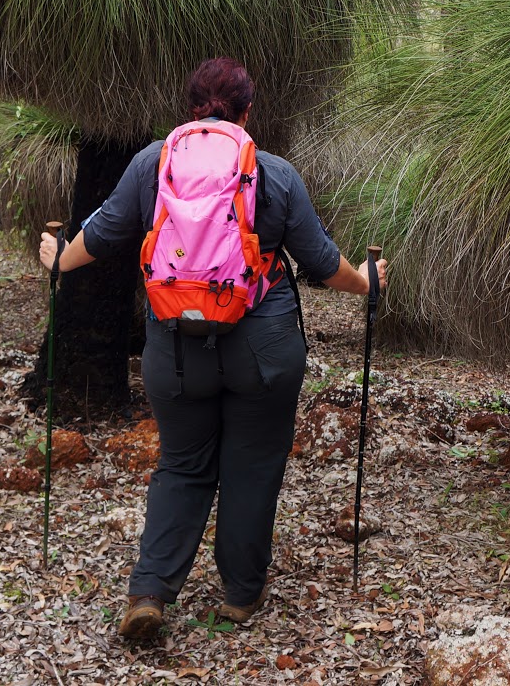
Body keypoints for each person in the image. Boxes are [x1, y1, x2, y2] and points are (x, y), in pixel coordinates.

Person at [37, 57, 388, 642]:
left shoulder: (152, 164)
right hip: (264, 346)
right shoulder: (275, 173)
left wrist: (57, 261)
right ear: (249, 112)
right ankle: (241, 595)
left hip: (176, 347)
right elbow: (325, 264)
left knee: (181, 464)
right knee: (252, 467)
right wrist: (370, 283)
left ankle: (149, 592)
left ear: (190, 109)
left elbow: (97, 238)